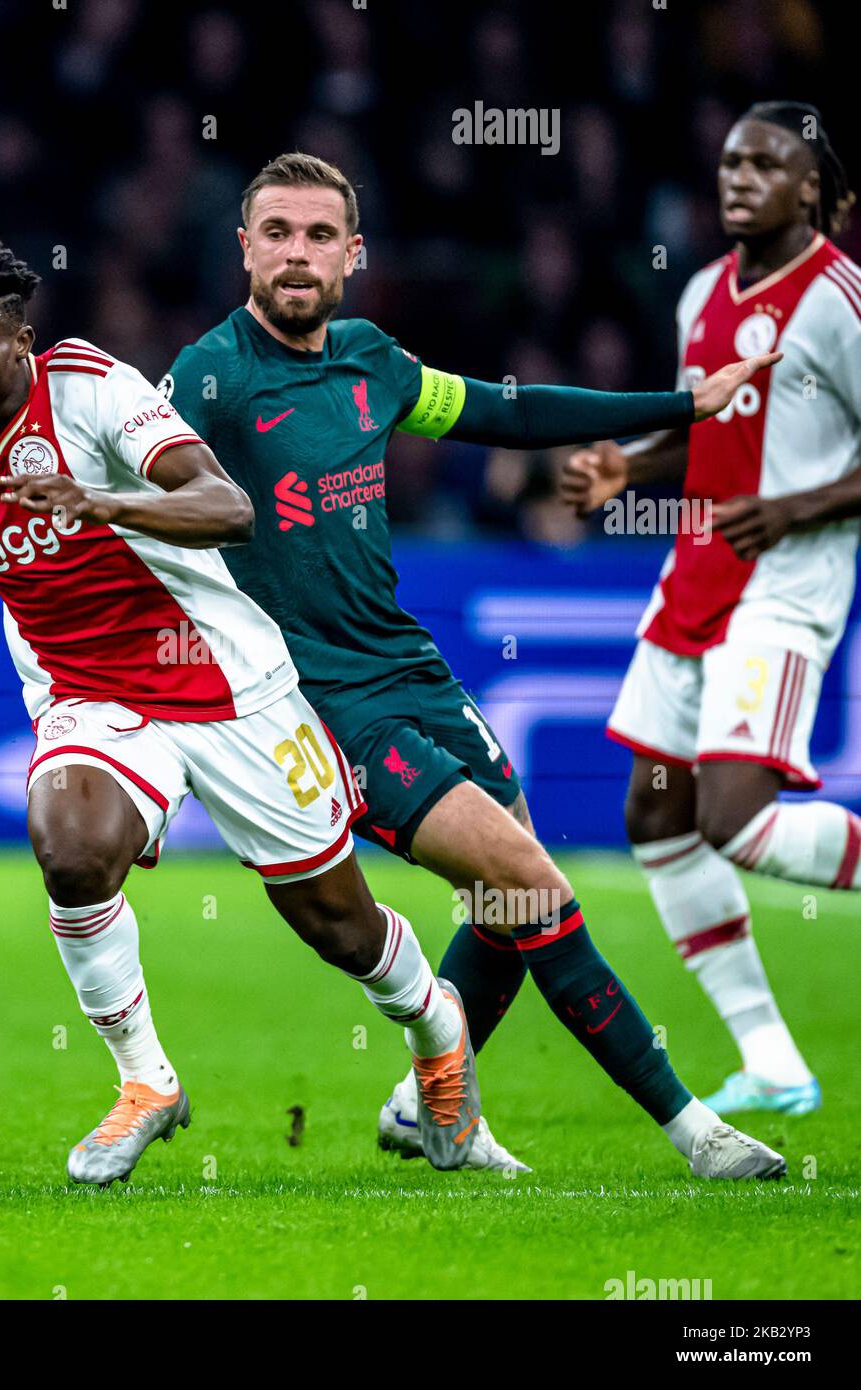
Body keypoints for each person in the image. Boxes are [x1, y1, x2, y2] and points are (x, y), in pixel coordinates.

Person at [0, 230, 507, 1187]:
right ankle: (146, 1083)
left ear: (21, 343)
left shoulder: (96, 392)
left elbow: (227, 508)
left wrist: (100, 500)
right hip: (88, 692)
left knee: (336, 924)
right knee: (68, 844)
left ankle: (438, 1028)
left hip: (227, 685)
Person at [162, 152, 785, 1179]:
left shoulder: (373, 363)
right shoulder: (209, 375)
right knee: (526, 876)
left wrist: (680, 406)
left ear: (354, 255)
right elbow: (138, 483)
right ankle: (694, 1131)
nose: (296, 254)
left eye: (320, 235)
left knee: (508, 891)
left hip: (409, 666)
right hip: (318, 702)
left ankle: (420, 1100)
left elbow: (512, 410)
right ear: (243, 248)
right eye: (275, 232)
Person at [561, 102, 860, 1116]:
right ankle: (772, 1060)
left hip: (786, 583)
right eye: (730, 160)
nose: (738, 177)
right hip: (695, 572)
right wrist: (626, 466)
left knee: (734, 816)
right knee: (653, 811)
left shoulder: (837, 301)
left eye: (765, 164)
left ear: (811, 188)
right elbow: (704, 428)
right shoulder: (700, 293)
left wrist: (792, 506)